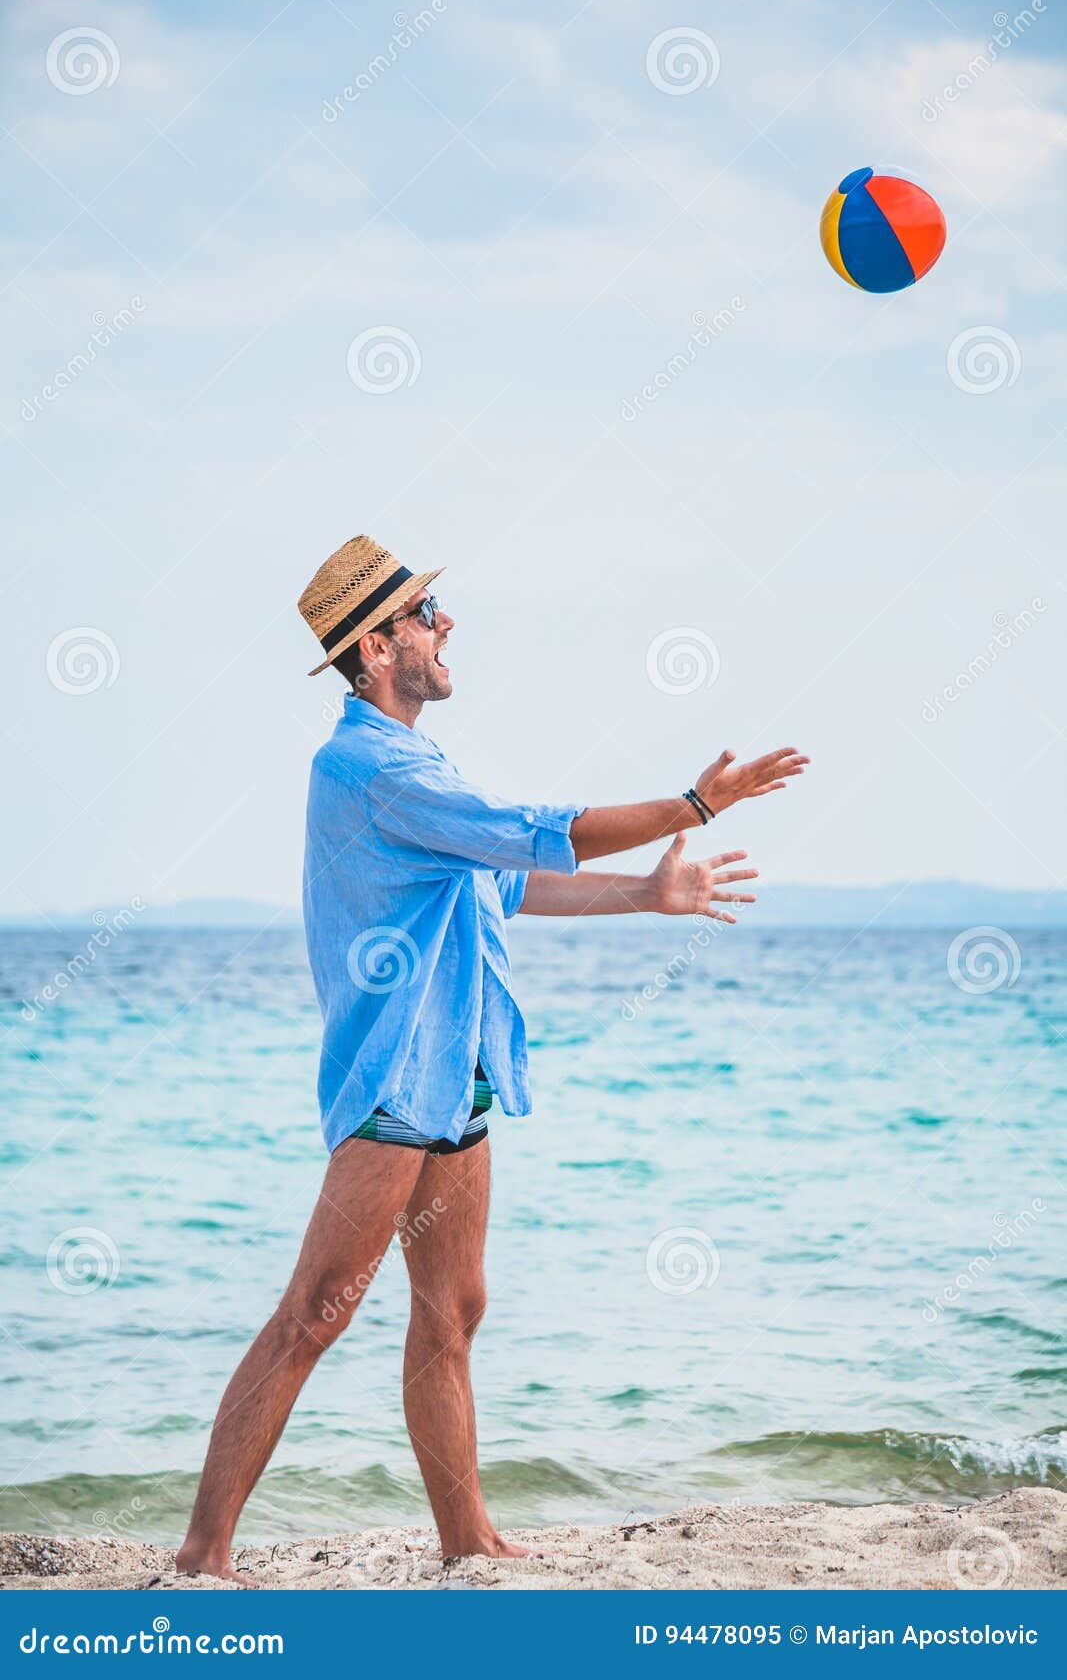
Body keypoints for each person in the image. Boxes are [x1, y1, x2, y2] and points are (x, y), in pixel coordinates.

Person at [175, 534, 808, 1580]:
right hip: (393, 1078)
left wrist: (648, 894)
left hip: (454, 1071)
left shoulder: (415, 761)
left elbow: (501, 880)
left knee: (452, 1308)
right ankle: (202, 1556)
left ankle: (465, 1541)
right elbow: (535, 830)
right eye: (426, 614)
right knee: (315, 1314)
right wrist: (690, 808)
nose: (446, 623)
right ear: (376, 647)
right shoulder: (364, 763)